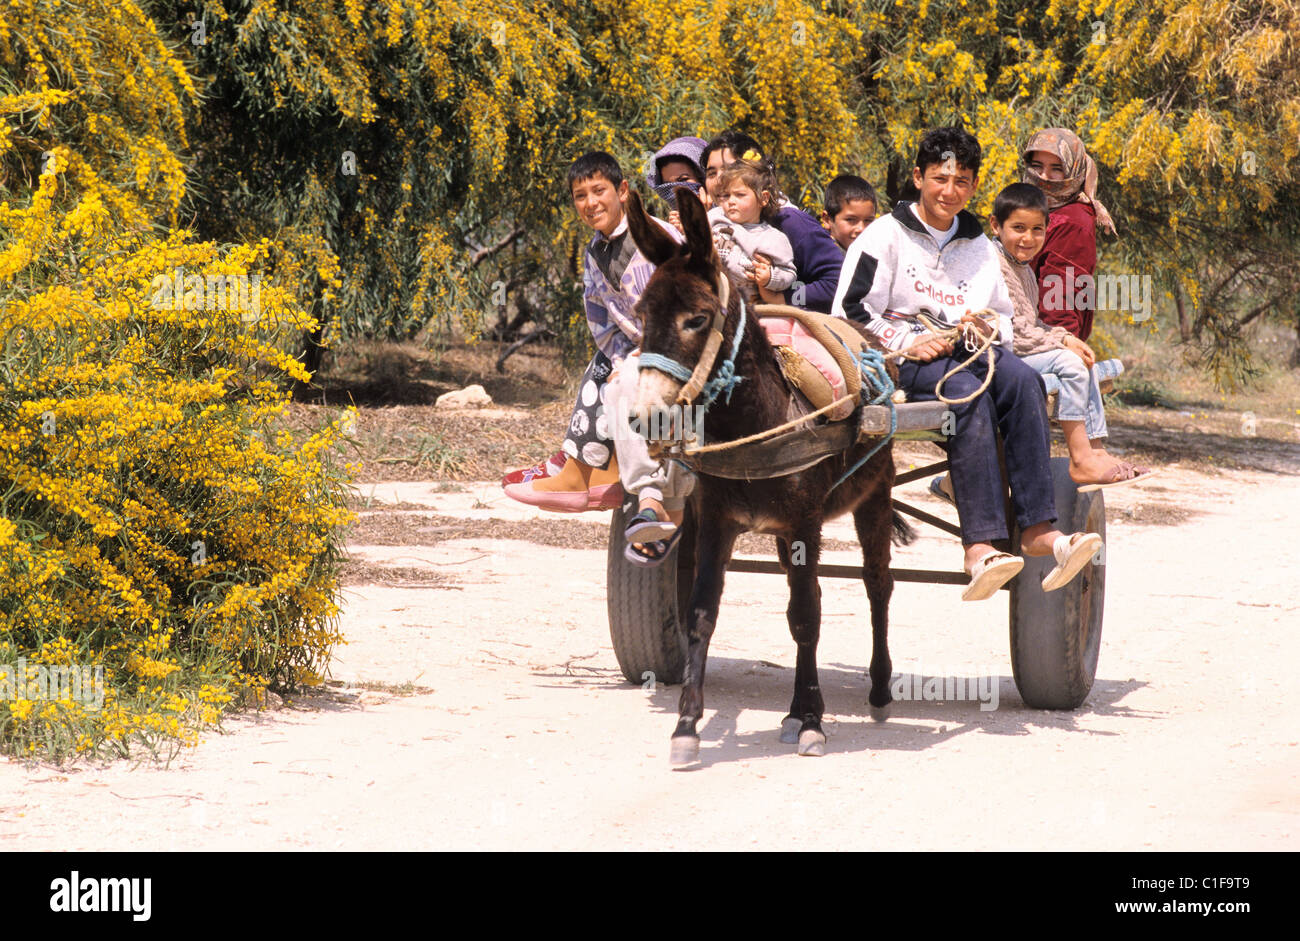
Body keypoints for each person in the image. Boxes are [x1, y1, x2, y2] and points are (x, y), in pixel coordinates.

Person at [832, 125, 1104, 602]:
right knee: (966, 398)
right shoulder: (885, 236)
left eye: (962, 182)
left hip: (968, 351)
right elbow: (850, 310)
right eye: (940, 179)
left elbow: (1001, 315)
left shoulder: (978, 241)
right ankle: (979, 547)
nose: (949, 192)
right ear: (919, 177)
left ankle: (1039, 529)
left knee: (1023, 383)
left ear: (974, 186)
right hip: (899, 358)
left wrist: (984, 330)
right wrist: (906, 342)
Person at [505, 152, 696, 552]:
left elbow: (685, 301)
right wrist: (622, 354)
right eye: (580, 195)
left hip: (681, 346)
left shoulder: (653, 238)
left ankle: (635, 492)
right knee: (608, 376)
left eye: (598, 191)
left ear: (622, 191)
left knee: (635, 385)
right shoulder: (597, 250)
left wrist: (646, 353)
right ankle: (595, 473)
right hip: (639, 348)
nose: (590, 203)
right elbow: (599, 316)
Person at [991, 182, 1153, 488]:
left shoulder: (1021, 266)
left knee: (1079, 358)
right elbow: (1013, 331)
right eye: (1018, 228)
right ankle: (1081, 459)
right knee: (1070, 363)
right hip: (1000, 354)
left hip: (1017, 348)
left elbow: (1032, 323)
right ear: (996, 226)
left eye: (1037, 229)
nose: (1028, 238)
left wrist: (1064, 336)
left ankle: (1096, 451)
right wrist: (1062, 341)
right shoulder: (995, 264)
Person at [701, 130, 844, 311]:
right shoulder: (716, 220)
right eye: (711, 173)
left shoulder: (790, 222)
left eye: (729, 170)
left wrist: (781, 296)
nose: (720, 180)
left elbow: (836, 283)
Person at [1022, 127, 1117, 341]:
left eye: (1057, 168)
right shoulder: (1039, 209)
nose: (1044, 176)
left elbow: (1059, 297)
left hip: (1041, 338)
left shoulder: (1071, 222)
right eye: (1037, 166)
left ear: (1073, 171)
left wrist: (1062, 344)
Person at [708, 154, 798, 304]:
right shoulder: (715, 217)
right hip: (712, 301)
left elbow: (789, 273)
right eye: (726, 195)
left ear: (763, 198)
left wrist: (770, 277)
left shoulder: (772, 238)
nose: (731, 201)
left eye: (740, 195)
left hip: (751, 309)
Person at [643, 136, 709, 235]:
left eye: (683, 180)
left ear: (702, 177)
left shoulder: (731, 214)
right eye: (667, 186)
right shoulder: (671, 229)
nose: (676, 190)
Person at [821, 174, 878, 251]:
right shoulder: (824, 257)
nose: (861, 229)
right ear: (827, 220)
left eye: (868, 220)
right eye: (850, 219)